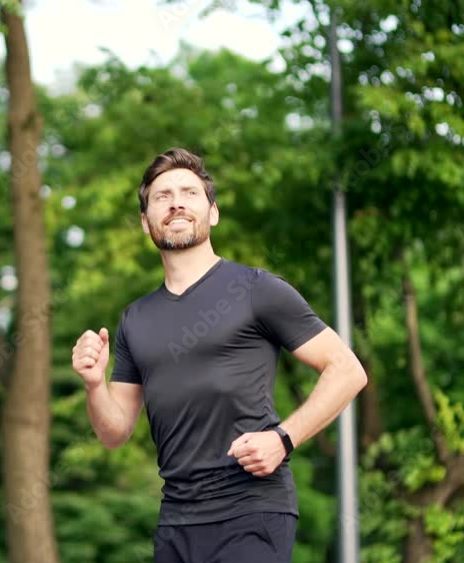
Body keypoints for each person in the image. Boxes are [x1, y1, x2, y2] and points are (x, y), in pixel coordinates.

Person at [70, 148, 368, 563]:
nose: (175, 202)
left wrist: (284, 439)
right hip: (176, 521)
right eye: (162, 196)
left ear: (212, 213)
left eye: (189, 193)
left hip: (252, 510)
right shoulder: (135, 319)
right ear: (145, 222)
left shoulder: (256, 289)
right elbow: (114, 431)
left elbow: (347, 370)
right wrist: (93, 384)